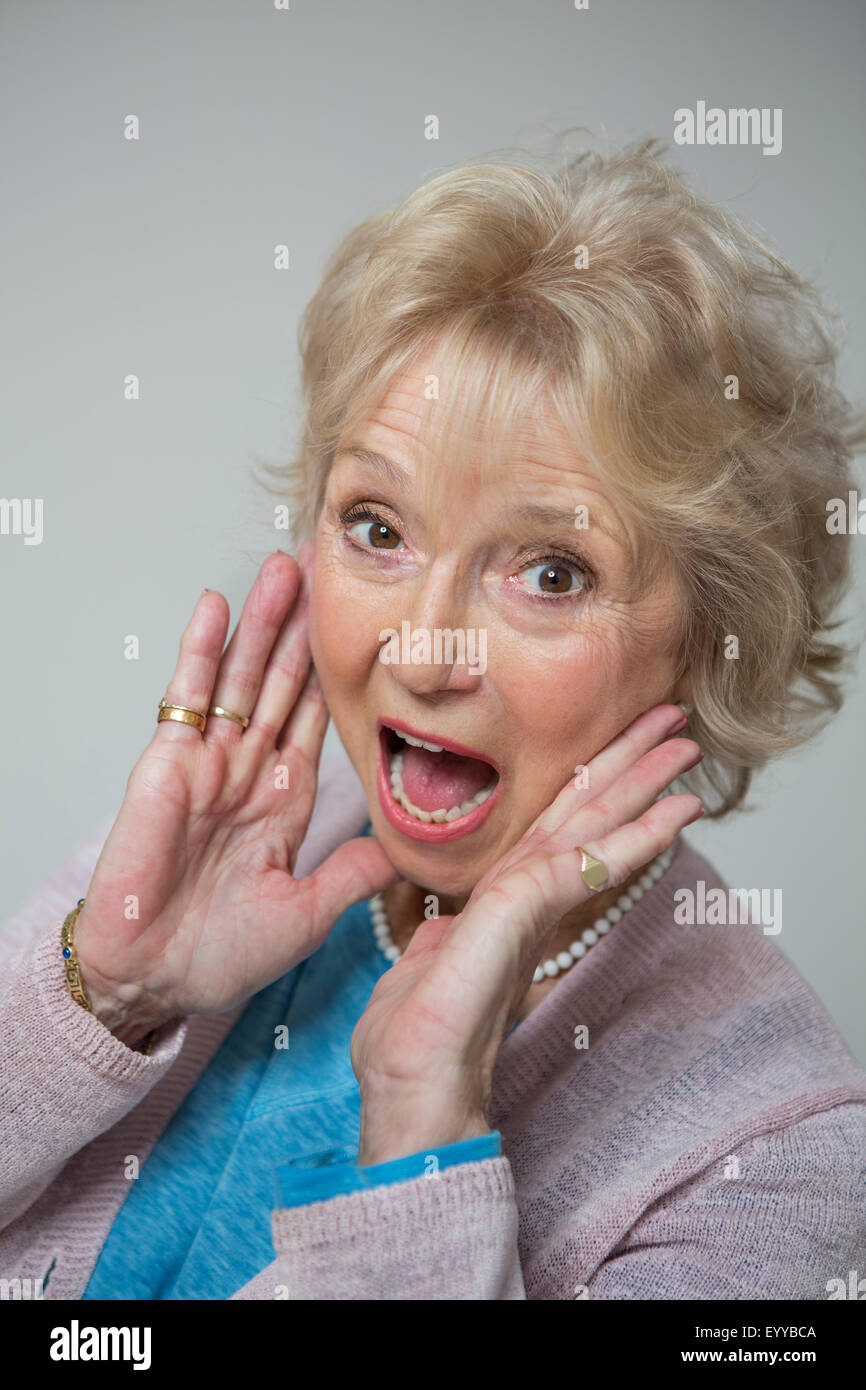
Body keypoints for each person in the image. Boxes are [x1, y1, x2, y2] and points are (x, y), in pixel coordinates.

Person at [2, 137, 864, 1301]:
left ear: (715, 635)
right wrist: (105, 992)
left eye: (551, 572)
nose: (418, 650)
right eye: (377, 527)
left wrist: (424, 1130)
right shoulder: (229, 840)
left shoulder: (780, 1155)